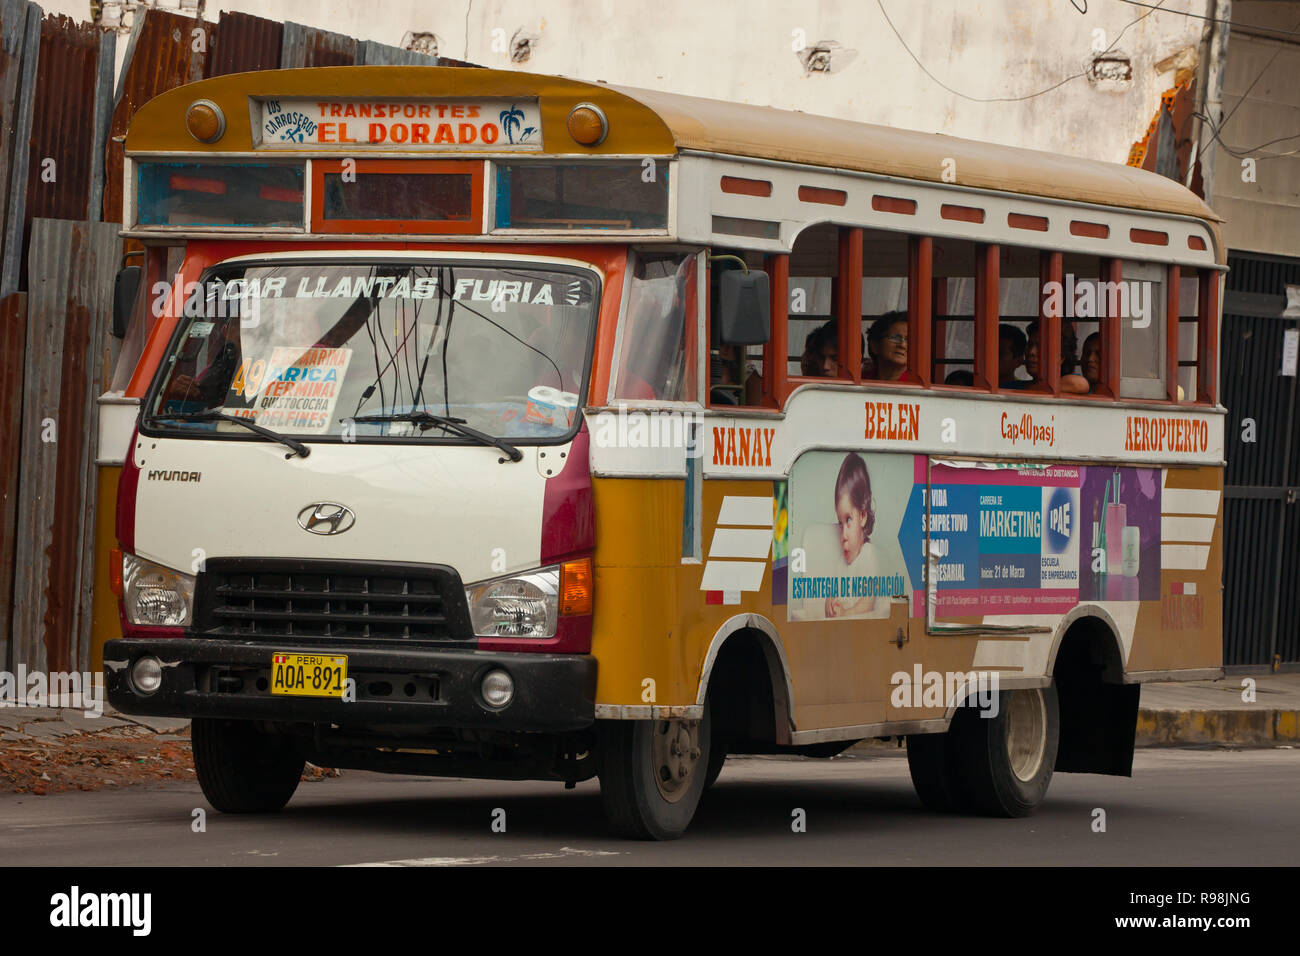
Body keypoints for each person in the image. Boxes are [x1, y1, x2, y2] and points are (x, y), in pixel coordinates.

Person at [824, 453, 883, 619]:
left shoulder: (869, 556)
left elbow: (868, 603)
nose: (843, 534)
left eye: (848, 520)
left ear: (863, 516)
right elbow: (832, 591)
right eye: (840, 523)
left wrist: (846, 614)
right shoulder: (841, 561)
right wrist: (829, 603)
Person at [864, 312, 914, 382]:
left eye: (908, 340)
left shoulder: (916, 383)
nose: (902, 345)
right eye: (895, 338)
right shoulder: (862, 379)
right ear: (875, 345)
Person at [998, 323, 1030, 389]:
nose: (991, 358)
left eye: (1000, 353)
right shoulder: (972, 383)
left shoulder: (1022, 391)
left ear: (1019, 361)